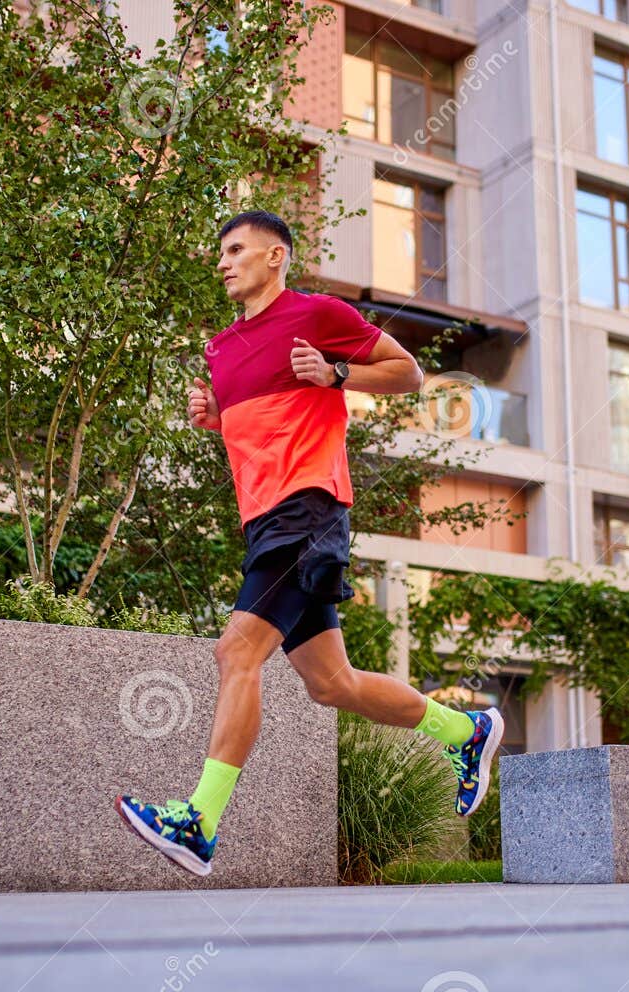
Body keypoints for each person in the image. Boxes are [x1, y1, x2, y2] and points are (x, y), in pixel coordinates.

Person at [115, 210, 502, 877]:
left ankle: (200, 821)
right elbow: (262, 429)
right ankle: (466, 731)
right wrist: (215, 421)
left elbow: (407, 372)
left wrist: (337, 375)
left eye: (236, 249)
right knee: (332, 683)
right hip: (264, 520)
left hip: (309, 508)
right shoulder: (222, 349)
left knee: (237, 649)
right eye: (221, 252)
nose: (224, 261)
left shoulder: (316, 314)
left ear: (276, 256)